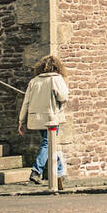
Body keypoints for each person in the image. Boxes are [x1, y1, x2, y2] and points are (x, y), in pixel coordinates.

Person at [18, 55, 69, 188]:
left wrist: (21, 121)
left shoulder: (34, 81)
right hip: (51, 117)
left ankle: (58, 172)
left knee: (50, 144)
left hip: (37, 118)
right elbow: (63, 97)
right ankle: (36, 171)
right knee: (48, 143)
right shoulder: (56, 79)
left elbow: (26, 102)